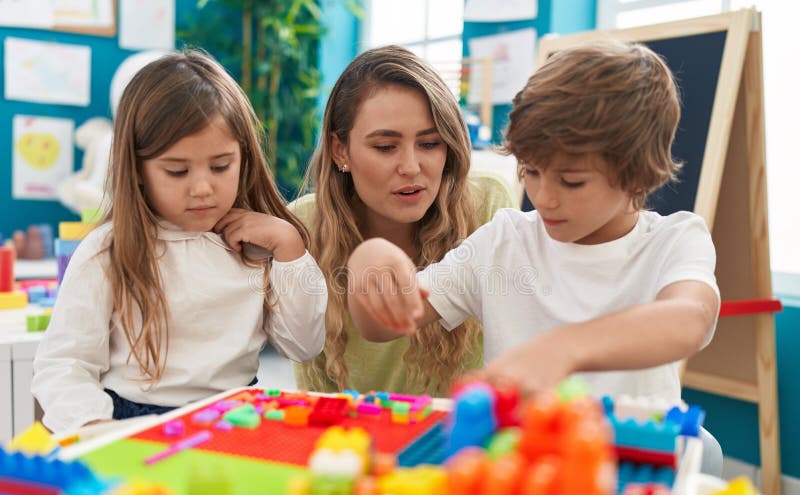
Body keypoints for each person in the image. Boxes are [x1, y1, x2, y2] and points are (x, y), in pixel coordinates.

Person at [346, 41, 720, 402]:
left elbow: (692, 318)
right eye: (532, 171)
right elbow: (380, 326)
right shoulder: (502, 242)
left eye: (571, 181)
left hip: (626, 459)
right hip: (519, 458)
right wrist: (369, 261)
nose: (543, 197)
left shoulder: (674, 240)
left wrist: (567, 346)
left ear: (638, 175)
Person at [32, 50, 327, 433]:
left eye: (221, 166)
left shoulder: (255, 243)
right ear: (137, 170)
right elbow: (64, 362)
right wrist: (93, 424)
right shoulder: (108, 250)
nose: (203, 188)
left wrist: (290, 249)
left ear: (244, 158)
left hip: (237, 418)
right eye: (177, 170)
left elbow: (304, 346)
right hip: (135, 422)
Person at [291, 45, 516, 395]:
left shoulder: (487, 205)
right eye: (385, 147)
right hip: (348, 439)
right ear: (340, 151)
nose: (411, 167)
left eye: (429, 143)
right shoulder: (303, 227)